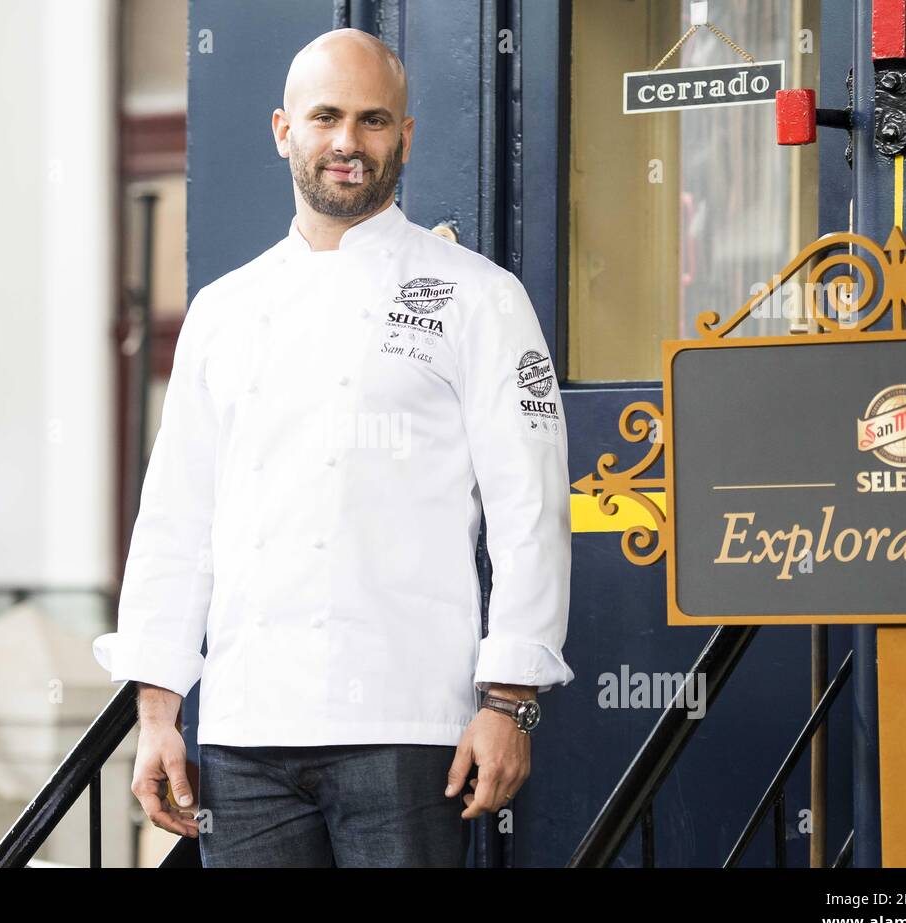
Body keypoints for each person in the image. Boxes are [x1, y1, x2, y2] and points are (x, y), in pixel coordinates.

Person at [93, 27, 573, 867]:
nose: (348, 141)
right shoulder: (222, 311)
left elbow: (529, 510)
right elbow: (176, 519)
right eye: (326, 117)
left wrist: (509, 698)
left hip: (407, 722)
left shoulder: (480, 298)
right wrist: (157, 710)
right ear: (285, 131)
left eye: (373, 120)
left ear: (405, 136)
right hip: (245, 732)